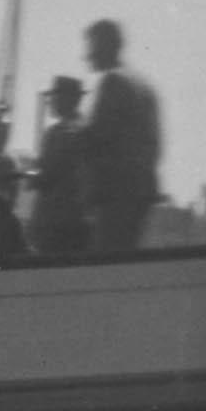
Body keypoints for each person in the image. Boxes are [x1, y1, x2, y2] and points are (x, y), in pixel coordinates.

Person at [78, 18, 162, 252]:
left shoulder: (113, 81)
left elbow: (97, 136)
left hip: (116, 193)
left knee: (107, 263)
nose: (88, 55)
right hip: (141, 191)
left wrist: (76, 134)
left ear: (105, 46)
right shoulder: (143, 84)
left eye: (91, 47)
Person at [27, 76, 90, 255]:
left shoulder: (60, 132)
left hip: (55, 224)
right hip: (78, 221)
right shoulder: (86, 129)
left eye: (55, 97)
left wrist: (31, 175)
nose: (51, 102)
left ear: (70, 99)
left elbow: (47, 175)